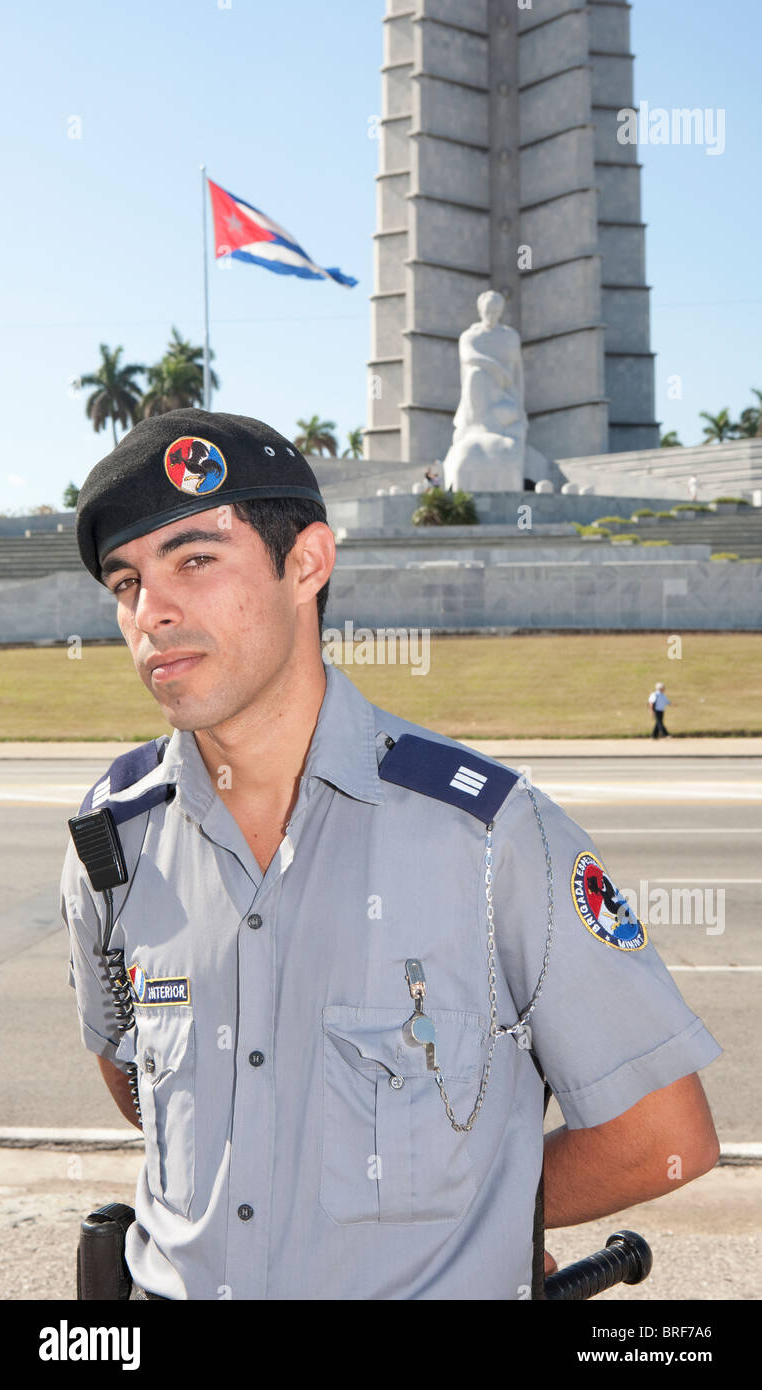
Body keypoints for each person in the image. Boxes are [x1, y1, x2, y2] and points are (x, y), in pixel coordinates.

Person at [61, 408, 721, 1301]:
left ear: (307, 563)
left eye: (195, 559)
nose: (153, 610)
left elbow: (661, 1138)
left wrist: (482, 1225)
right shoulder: (113, 840)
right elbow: (133, 1075)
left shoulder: (489, 835)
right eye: (125, 581)